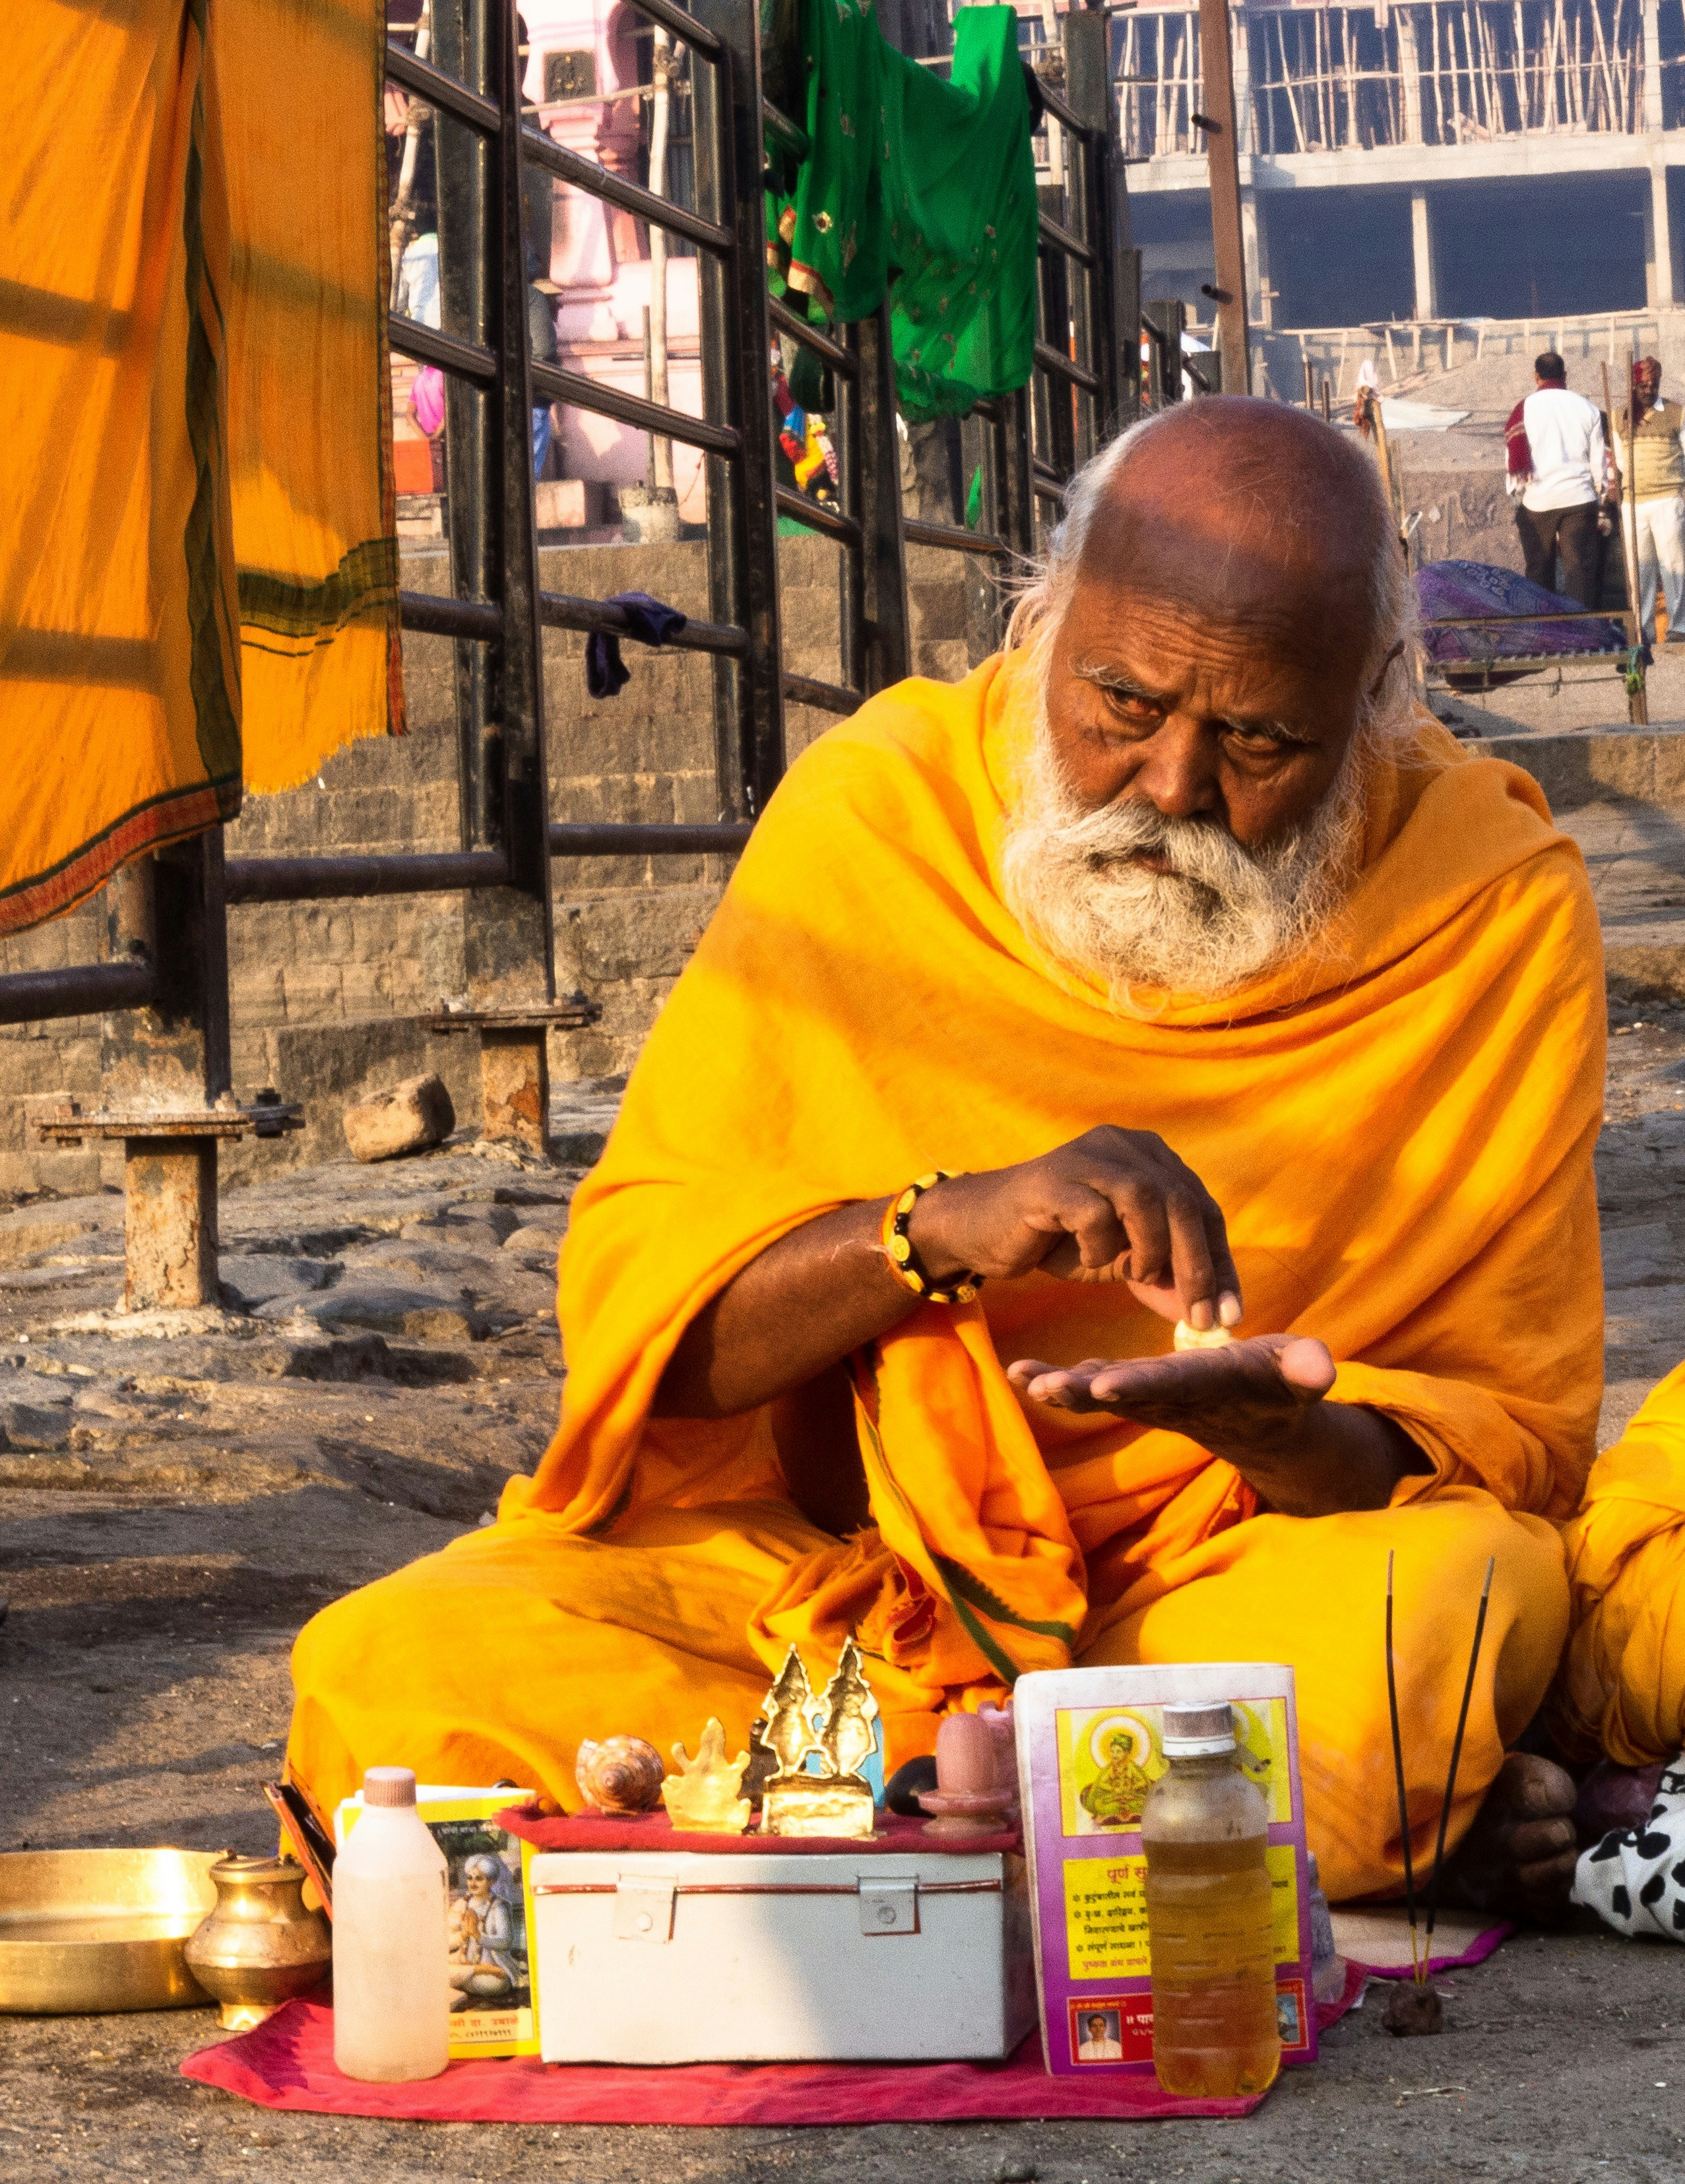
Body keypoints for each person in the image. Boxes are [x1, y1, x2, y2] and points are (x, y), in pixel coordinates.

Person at [289, 395, 1600, 1915]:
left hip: (1213, 1593)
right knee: (385, 1669)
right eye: (1119, 700)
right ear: (1039, 624)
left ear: (1373, 703)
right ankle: (1093, 1833)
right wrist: (933, 1230)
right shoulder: (878, 809)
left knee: (1424, 1640)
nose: (1169, 784)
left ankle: (844, 1831)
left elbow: (1501, 1433)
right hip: (827, 1586)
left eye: (1255, 738)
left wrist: (1271, 1431)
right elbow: (660, 1344)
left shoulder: (1483, 904)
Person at [1504, 350, 1612, 610]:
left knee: (1539, 571)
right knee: (1579, 572)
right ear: (1565, 375)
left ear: (1536, 377)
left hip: (1538, 501)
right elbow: (1599, 461)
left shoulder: (1524, 408)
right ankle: (1582, 634)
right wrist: (1602, 497)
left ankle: (1546, 633)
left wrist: (1518, 493)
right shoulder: (1587, 408)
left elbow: (1512, 460)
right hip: (1579, 499)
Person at [1617, 356, 1685, 644]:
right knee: (1640, 571)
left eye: (1654, 384)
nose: (1649, 390)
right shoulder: (1621, 416)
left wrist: (1668, 478)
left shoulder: (1676, 414)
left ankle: (1682, 628)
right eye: (1643, 385)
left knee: (1673, 566)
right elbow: (1620, 461)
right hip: (1632, 503)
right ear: (1634, 386)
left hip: (1667, 501)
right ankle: (1642, 631)